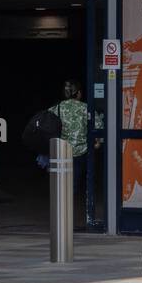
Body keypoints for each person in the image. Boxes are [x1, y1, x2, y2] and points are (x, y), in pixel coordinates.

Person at [46, 80, 102, 210]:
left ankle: (61, 213)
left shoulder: (56, 108)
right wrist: (98, 143)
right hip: (80, 152)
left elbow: (46, 126)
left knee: (62, 183)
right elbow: (98, 127)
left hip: (61, 151)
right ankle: (68, 214)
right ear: (79, 93)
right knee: (75, 183)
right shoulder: (85, 108)